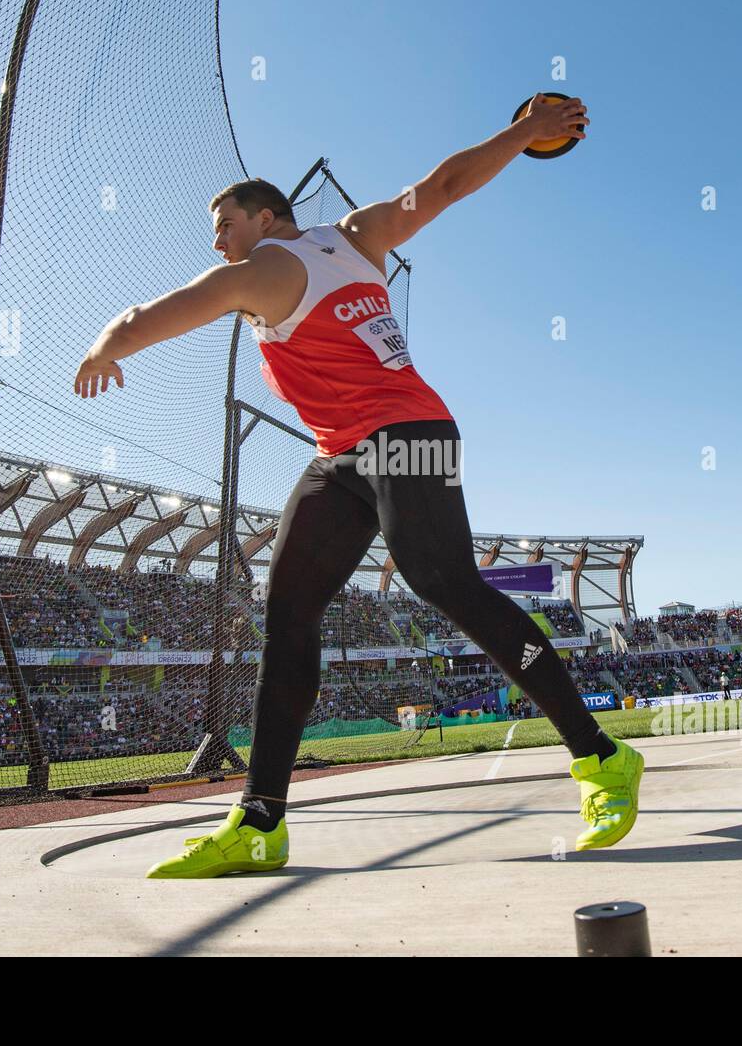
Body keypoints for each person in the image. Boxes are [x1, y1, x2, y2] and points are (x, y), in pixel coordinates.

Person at [75, 95, 645, 880]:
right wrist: (522, 133)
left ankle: (602, 758)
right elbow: (442, 187)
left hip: (407, 438)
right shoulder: (360, 235)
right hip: (340, 454)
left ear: (267, 216)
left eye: (226, 222)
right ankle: (260, 821)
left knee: (444, 583)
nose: (219, 239)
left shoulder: (264, 267)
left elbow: (163, 310)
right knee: (288, 616)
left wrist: (111, 343)